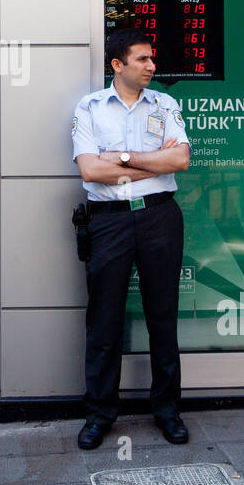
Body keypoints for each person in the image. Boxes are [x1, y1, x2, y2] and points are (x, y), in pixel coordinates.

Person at [70, 28, 191, 449]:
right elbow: (90, 171)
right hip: (109, 222)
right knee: (104, 321)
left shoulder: (166, 103)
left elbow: (181, 158)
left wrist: (121, 159)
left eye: (151, 58)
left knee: (163, 316)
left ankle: (167, 411)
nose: (152, 66)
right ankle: (99, 414)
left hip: (159, 217)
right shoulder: (89, 109)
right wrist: (154, 165)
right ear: (117, 65)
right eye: (142, 59)